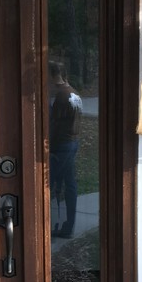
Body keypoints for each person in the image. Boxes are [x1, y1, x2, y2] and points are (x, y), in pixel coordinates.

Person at [49, 62, 82, 238]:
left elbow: (54, 124)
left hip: (61, 146)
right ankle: (68, 226)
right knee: (70, 184)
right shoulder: (74, 93)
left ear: (53, 75)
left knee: (51, 183)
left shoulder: (60, 96)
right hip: (72, 142)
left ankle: (54, 224)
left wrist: (49, 146)